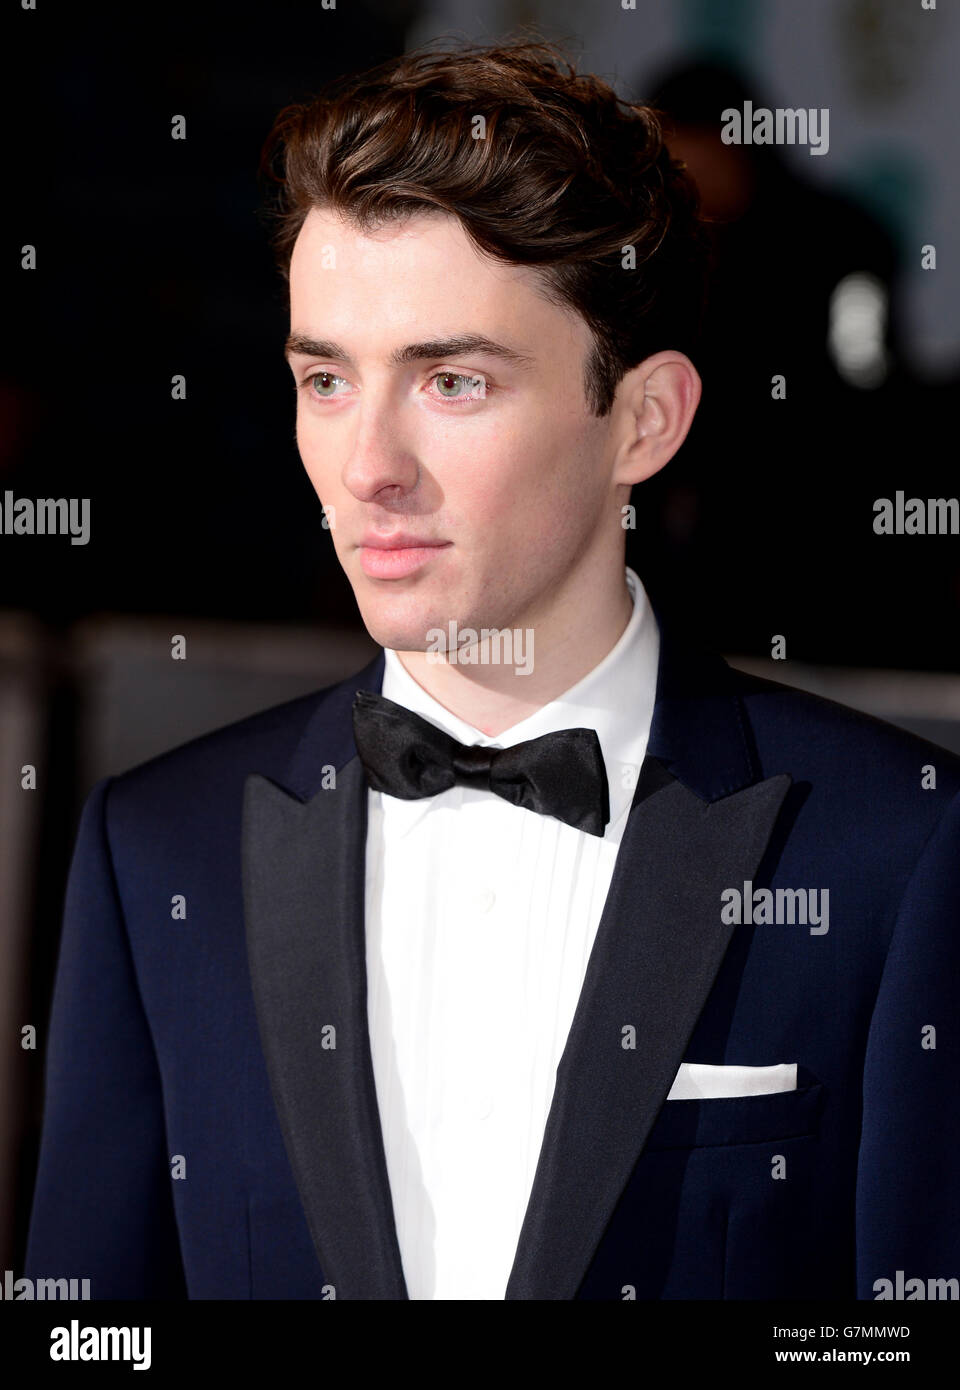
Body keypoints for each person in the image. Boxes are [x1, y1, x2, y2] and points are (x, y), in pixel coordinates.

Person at [25, 39, 959, 1301]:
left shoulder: (894, 853)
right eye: (325, 379)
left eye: (452, 380)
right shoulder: (157, 855)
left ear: (644, 420)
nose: (367, 467)